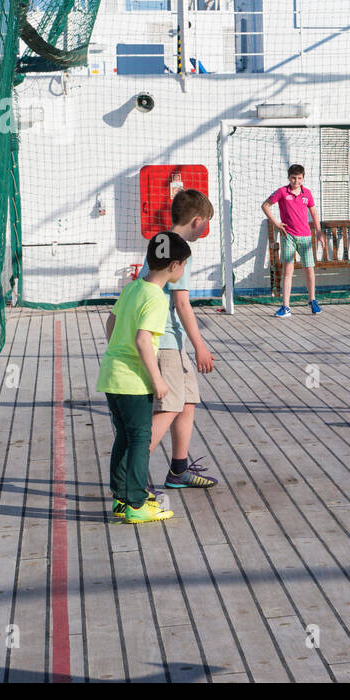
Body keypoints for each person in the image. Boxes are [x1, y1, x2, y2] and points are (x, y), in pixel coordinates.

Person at [97, 231, 191, 524]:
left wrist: (117, 353)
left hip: (112, 376)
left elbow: (111, 322)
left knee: (124, 438)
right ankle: (137, 503)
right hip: (133, 382)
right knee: (140, 438)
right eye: (184, 265)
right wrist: (158, 380)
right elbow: (141, 340)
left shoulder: (133, 288)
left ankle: (121, 499)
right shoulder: (156, 297)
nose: (184, 270)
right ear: (174, 265)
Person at [143, 188, 219, 490]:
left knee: (186, 402)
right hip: (166, 343)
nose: (205, 229)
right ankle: (131, 472)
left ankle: (178, 469)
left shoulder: (162, 241)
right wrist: (200, 346)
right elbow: (183, 304)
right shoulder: (178, 251)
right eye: (206, 223)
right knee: (169, 407)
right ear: (197, 221)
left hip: (171, 342)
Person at [262, 164, 323, 317]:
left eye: (299, 178)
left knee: (309, 268)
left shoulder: (307, 193)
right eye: (293, 178)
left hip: (305, 237)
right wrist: (276, 223)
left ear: (303, 178)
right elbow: (265, 205)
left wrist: (319, 232)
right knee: (288, 271)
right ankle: (286, 307)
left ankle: (312, 300)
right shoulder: (282, 192)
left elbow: (314, 212)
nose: (296, 181)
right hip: (288, 236)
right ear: (289, 178)